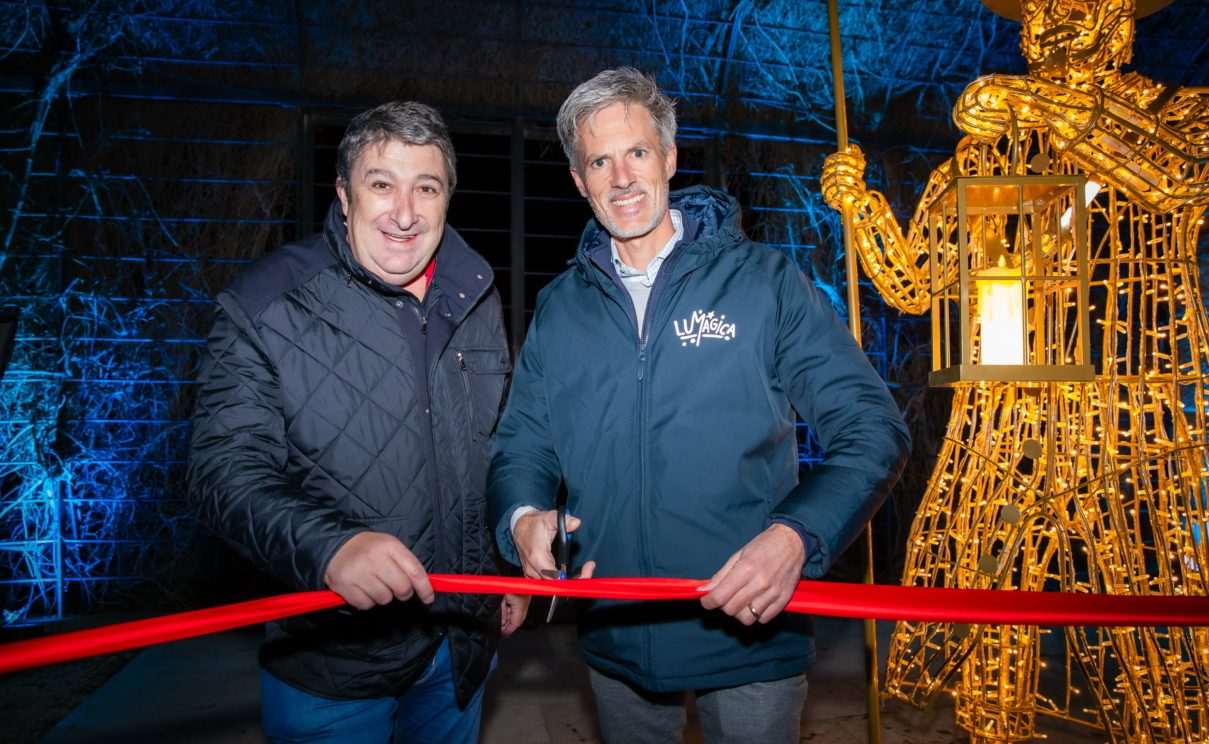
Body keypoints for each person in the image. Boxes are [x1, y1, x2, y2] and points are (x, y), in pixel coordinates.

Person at [821, 0, 1209, 740]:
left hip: (1129, 428)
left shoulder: (1174, 113)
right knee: (988, 638)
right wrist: (862, 205)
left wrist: (1033, 101)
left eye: (1076, 6)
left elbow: (1178, 176)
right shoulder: (984, 156)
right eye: (1040, 10)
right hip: (1005, 423)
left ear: (1118, 22)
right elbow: (914, 283)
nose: (1053, 21)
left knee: (1157, 638)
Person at [488, 67, 911, 744]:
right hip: (616, 638)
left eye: (637, 152)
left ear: (669, 159)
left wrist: (795, 537)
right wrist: (521, 519)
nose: (621, 178)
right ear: (578, 180)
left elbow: (872, 430)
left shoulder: (764, 282)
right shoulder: (559, 307)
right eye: (599, 160)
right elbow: (521, 446)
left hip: (747, 638)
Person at [187, 100, 528, 744]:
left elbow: (494, 446)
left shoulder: (474, 290)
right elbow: (221, 472)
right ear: (344, 195)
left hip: (458, 650)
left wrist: (504, 573)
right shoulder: (265, 304)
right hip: (333, 664)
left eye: (425, 187)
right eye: (382, 184)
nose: (404, 212)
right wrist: (329, 548)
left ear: (447, 197)